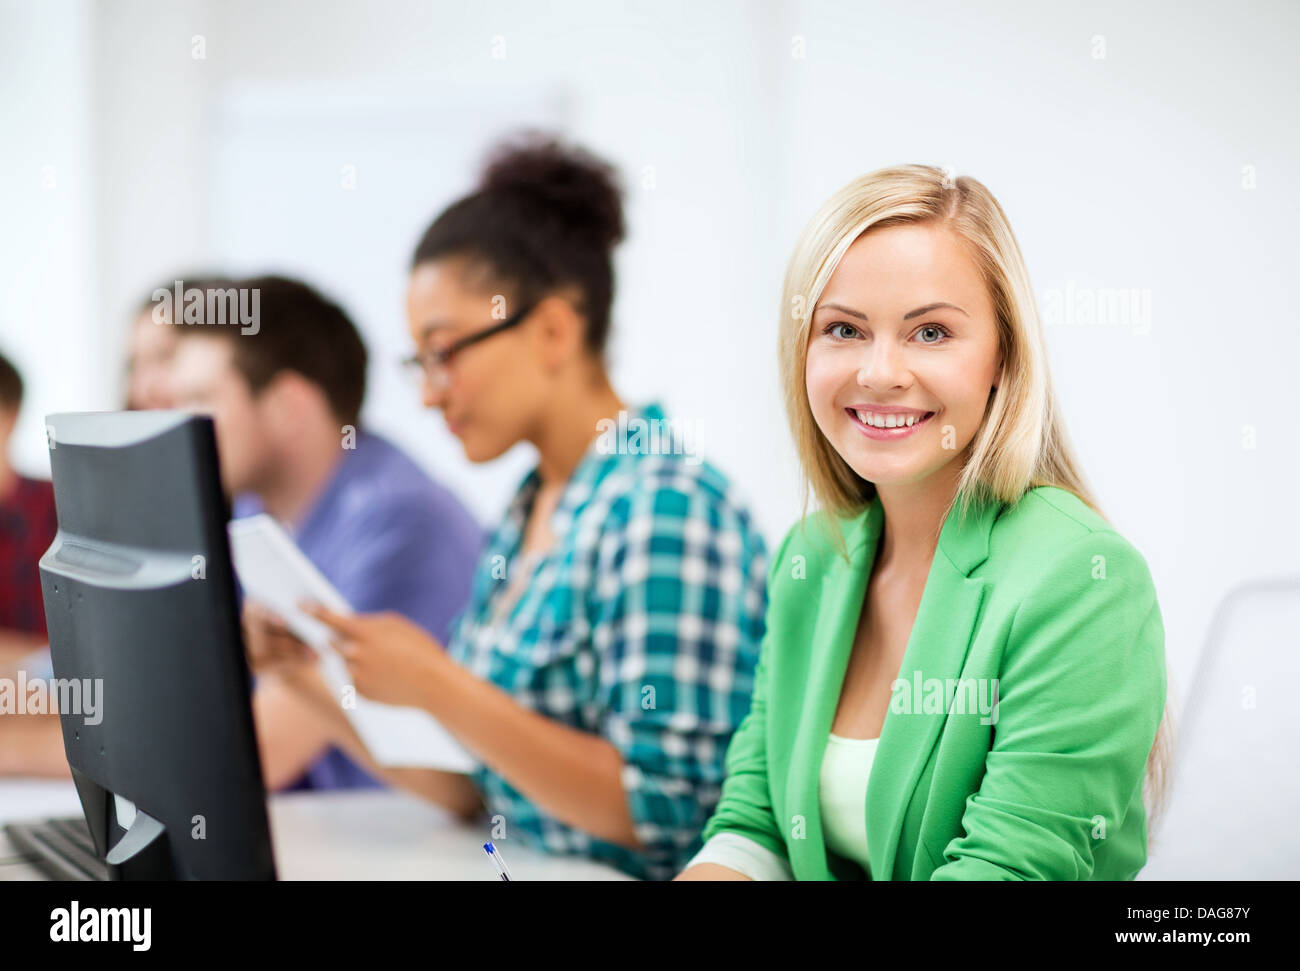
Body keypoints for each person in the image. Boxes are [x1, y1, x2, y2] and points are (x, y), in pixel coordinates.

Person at [252, 135, 770, 881]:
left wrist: (438, 682)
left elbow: (666, 812)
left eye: (445, 350)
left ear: (554, 329)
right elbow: (474, 785)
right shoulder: (532, 505)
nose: (430, 391)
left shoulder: (666, 506)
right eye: (418, 361)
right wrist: (309, 675)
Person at [677, 164, 1171, 880]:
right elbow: (757, 828)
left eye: (931, 332)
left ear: (1003, 355)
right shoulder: (812, 556)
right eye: (843, 328)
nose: (880, 372)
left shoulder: (1082, 579)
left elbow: (1006, 869)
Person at [167, 275, 484, 791]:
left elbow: (259, 753)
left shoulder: (402, 523)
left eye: (202, 398)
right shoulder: (252, 512)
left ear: (288, 405)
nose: (180, 425)